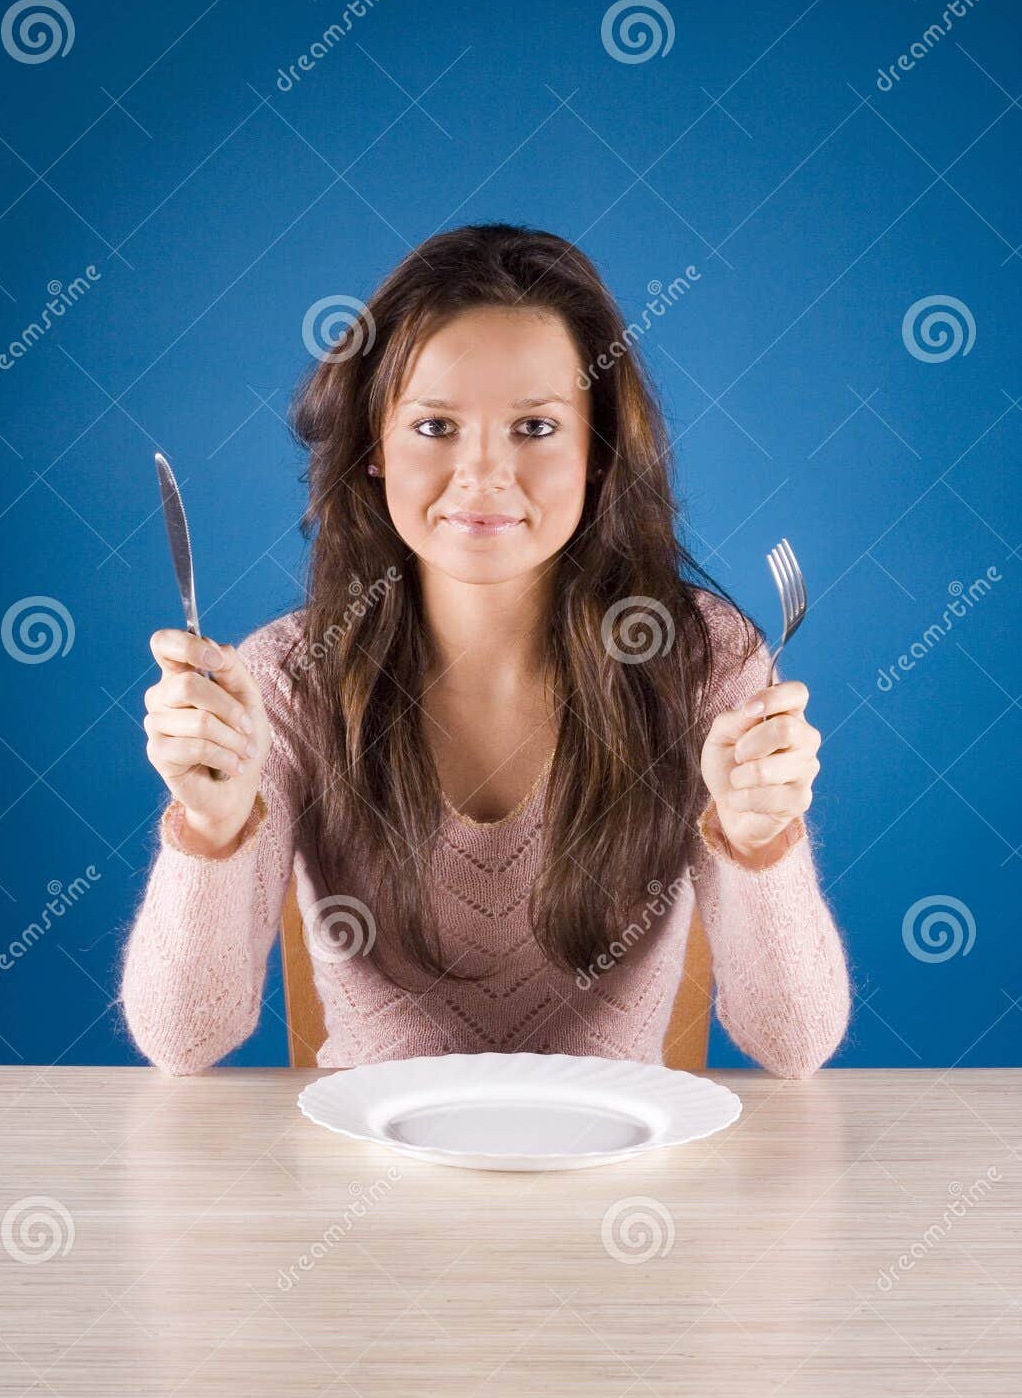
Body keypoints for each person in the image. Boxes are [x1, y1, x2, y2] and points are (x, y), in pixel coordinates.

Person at [119, 223, 853, 1079]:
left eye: (535, 427)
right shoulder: (287, 679)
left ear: (598, 454)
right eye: (433, 426)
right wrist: (211, 829)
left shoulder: (704, 663)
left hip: (620, 1186)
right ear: (370, 450)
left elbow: (793, 1044)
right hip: (364, 1190)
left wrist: (760, 840)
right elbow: (182, 1039)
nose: (482, 473)